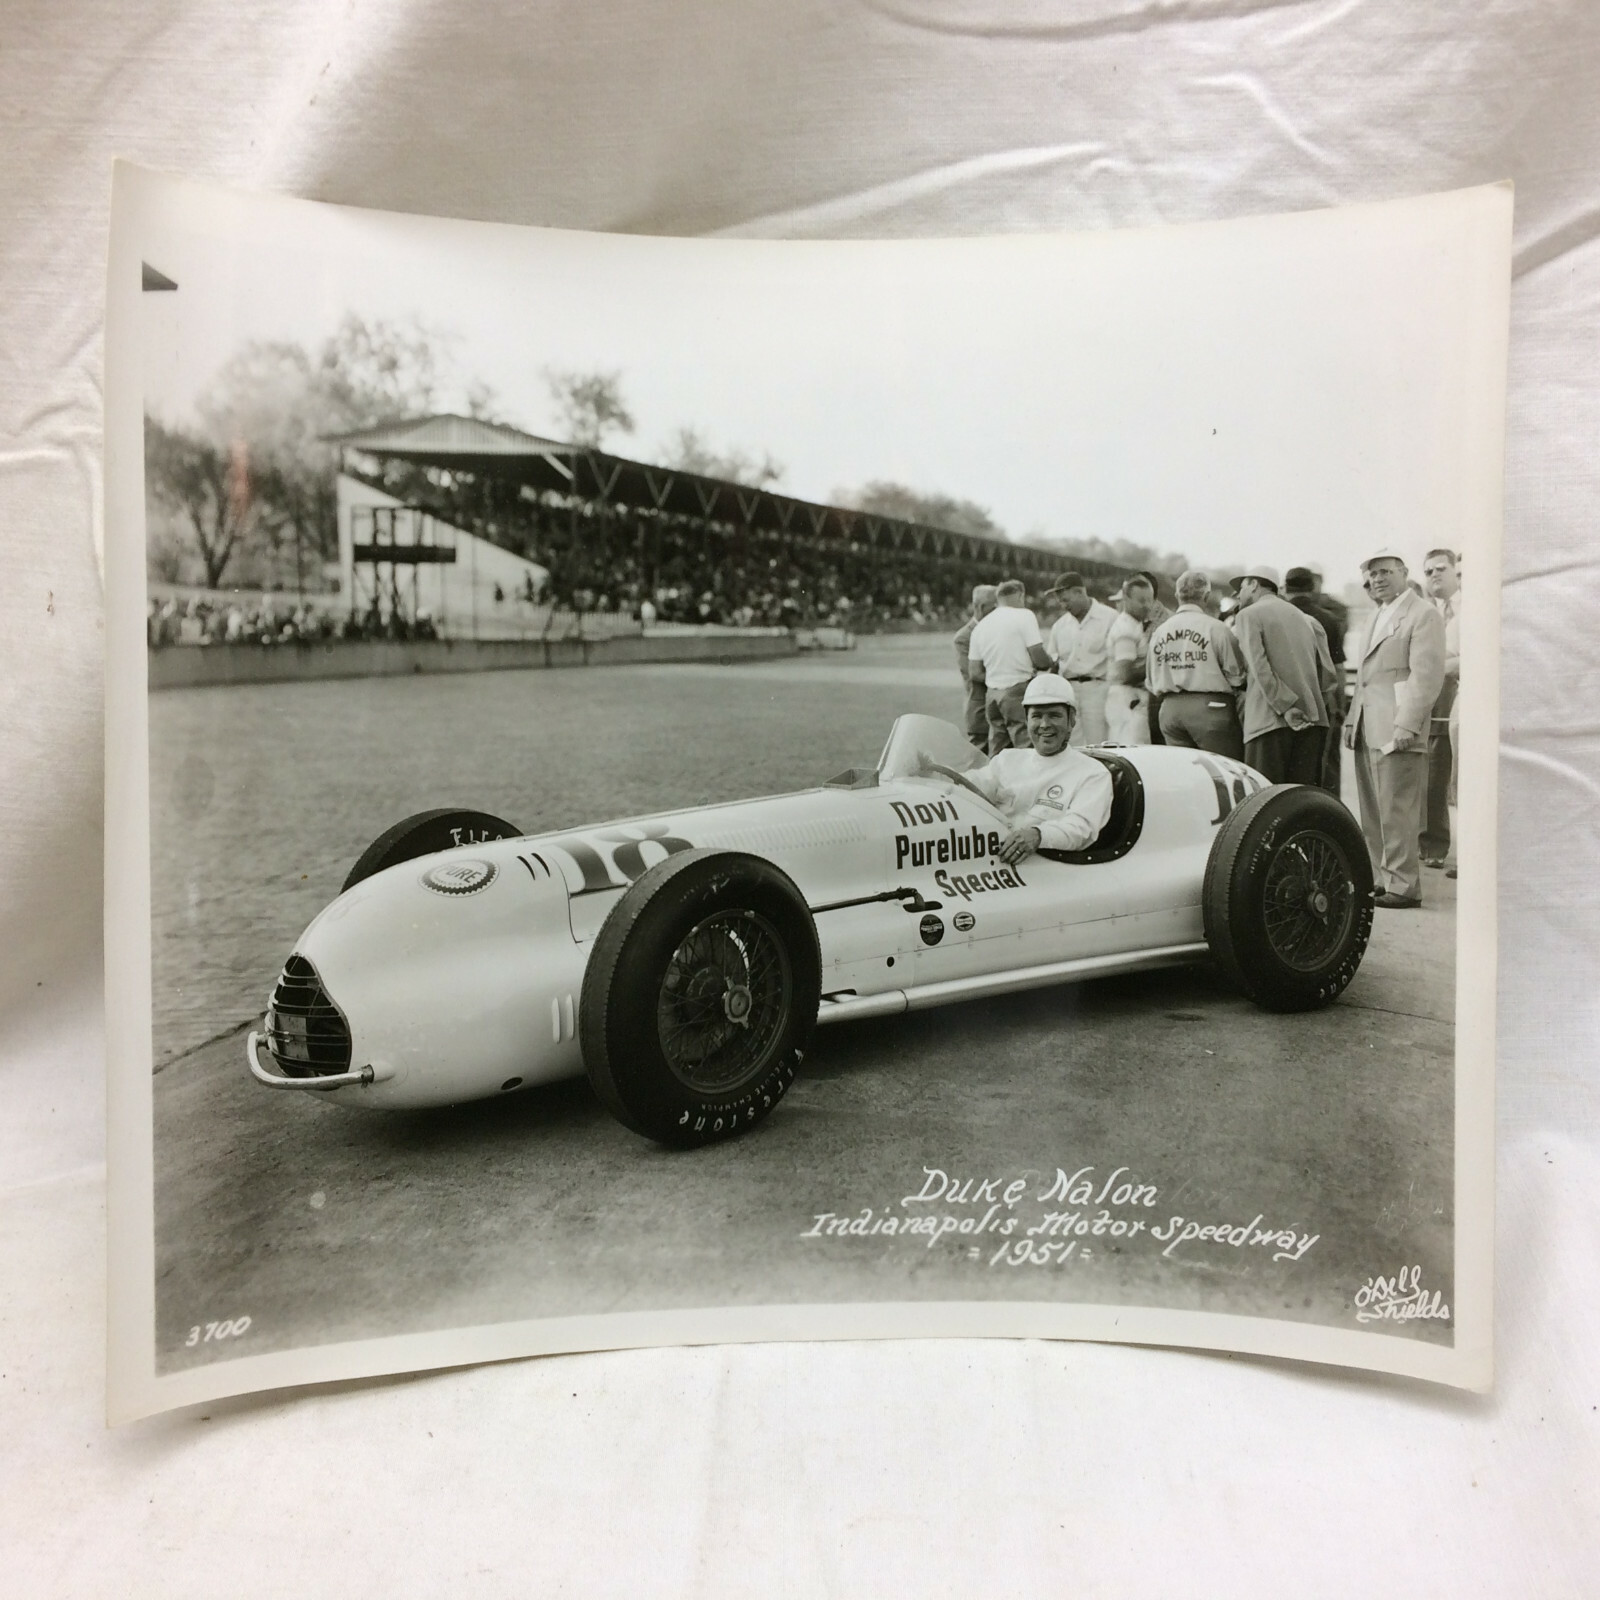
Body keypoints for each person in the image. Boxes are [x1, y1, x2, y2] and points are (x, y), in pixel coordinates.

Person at [1344, 547, 1447, 909]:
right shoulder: (1376, 616)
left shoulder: (1423, 614)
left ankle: (1403, 885)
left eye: (1386, 571)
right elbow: (1366, 678)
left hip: (1398, 728)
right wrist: (1352, 718)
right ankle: (1380, 879)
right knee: (1374, 809)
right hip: (1368, 725)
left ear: (1404, 573)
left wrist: (1408, 723)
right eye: (1372, 574)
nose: (1378, 579)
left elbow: (1426, 677)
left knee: (1397, 809)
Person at [923, 674, 1114, 863]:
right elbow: (968, 785)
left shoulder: (1092, 773)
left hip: (1050, 867)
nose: (1045, 725)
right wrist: (932, 772)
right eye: (1036, 716)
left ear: (1071, 720)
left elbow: (1080, 828)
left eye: (1054, 715)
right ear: (1027, 720)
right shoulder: (1007, 760)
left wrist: (1037, 835)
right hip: (993, 863)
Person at [1230, 563, 1336, 784]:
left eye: (1241, 588)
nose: (1238, 595)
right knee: (1300, 796)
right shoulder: (1308, 619)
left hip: (1268, 723)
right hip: (1312, 722)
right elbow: (1328, 675)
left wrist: (1286, 706)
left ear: (1254, 584)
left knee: (1266, 795)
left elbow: (1259, 667)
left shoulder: (1248, 615)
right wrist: (1311, 706)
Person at [1145, 570, 1247, 758]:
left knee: (1183, 769)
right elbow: (1237, 677)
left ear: (1177, 595)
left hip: (1170, 710)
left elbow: (1151, 681)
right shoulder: (1216, 628)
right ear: (1206, 596)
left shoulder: (1160, 632)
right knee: (1225, 767)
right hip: (1211, 708)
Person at [966, 579, 1052, 754]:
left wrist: (998, 675)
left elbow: (974, 672)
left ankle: (996, 773)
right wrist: (1051, 662)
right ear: (1020, 596)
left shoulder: (981, 626)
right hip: (1017, 688)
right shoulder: (1024, 615)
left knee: (998, 747)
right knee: (1026, 746)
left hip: (992, 694)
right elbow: (1038, 656)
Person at [1284, 565, 1348, 794]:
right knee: (1327, 764)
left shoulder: (1277, 617)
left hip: (1285, 703)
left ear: (1285, 588)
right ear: (1312, 588)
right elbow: (1338, 668)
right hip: (1322, 702)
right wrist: (1340, 706)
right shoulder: (1328, 620)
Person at [1419, 548, 1461, 867]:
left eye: (1440, 569)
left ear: (1455, 571)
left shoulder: (1471, 608)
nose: (1434, 575)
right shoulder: (1423, 612)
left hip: (1463, 702)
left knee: (1463, 781)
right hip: (1432, 706)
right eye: (1428, 571)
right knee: (1431, 779)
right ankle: (1433, 845)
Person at [1050, 574, 1118, 745]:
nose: (1063, 606)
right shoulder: (1059, 626)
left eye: (1066, 600)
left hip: (1098, 689)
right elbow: (1053, 661)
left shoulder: (1110, 618)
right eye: (1060, 602)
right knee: (1072, 745)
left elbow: (1118, 658)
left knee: (1099, 742)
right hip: (1069, 691)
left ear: (1080, 592)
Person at [1104, 575, 1159, 744]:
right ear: (1126, 599)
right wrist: (1157, 665)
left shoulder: (1133, 624)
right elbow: (1125, 672)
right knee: (1131, 748)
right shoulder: (1125, 629)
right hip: (1127, 699)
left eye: (1150, 600)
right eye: (1141, 601)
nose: (1147, 606)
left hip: (1130, 698)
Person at [952, 584, 1000, 751]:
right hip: (981, 710)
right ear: (979, 607)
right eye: (994, 607)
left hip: (1001, 709)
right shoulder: (964, 637)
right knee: (980, 758)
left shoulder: (1000, 630)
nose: (998, 612)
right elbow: (973, 674)